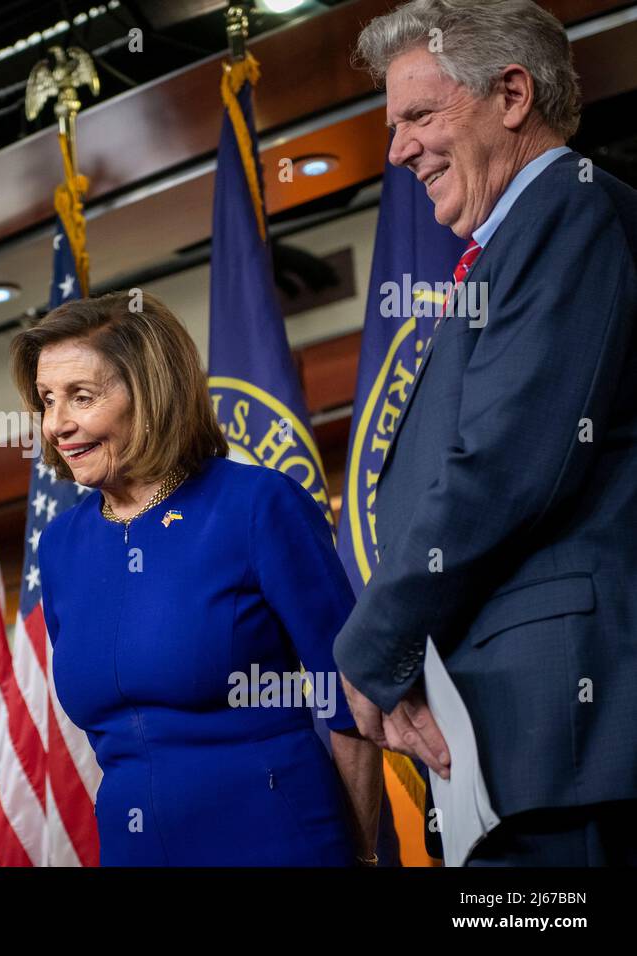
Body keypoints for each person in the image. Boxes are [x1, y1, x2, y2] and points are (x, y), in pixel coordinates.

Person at [334, 0, 637, 866]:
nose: (397, 151)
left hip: (569, 741)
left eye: (419, 116)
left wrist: (369, 651)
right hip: (514, 750)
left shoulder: (564, 214)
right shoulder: (512, 245)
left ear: (511, 95)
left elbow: (509, 463)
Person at [11, 291, 381, 866]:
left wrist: (361, 858)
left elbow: (349, 700)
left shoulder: (258, 505)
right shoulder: (60, 547)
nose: (57, 425)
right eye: (47, 401)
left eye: (81, 398)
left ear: (152, 394)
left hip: (281, 843)